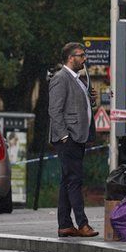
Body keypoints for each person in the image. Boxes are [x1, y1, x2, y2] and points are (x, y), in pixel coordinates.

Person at [48, 42, 98, 238]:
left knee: (67, 181)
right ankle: (82, 223)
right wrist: (64, 136)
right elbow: (54, 110)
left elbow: (76, 105)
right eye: (81, 55)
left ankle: (65, 225)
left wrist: (89, 98)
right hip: (69, 138)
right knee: (74, 181)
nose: (84, 58)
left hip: (78, 136)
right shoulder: (61, 78)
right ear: (71, 58)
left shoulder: (78, 79)